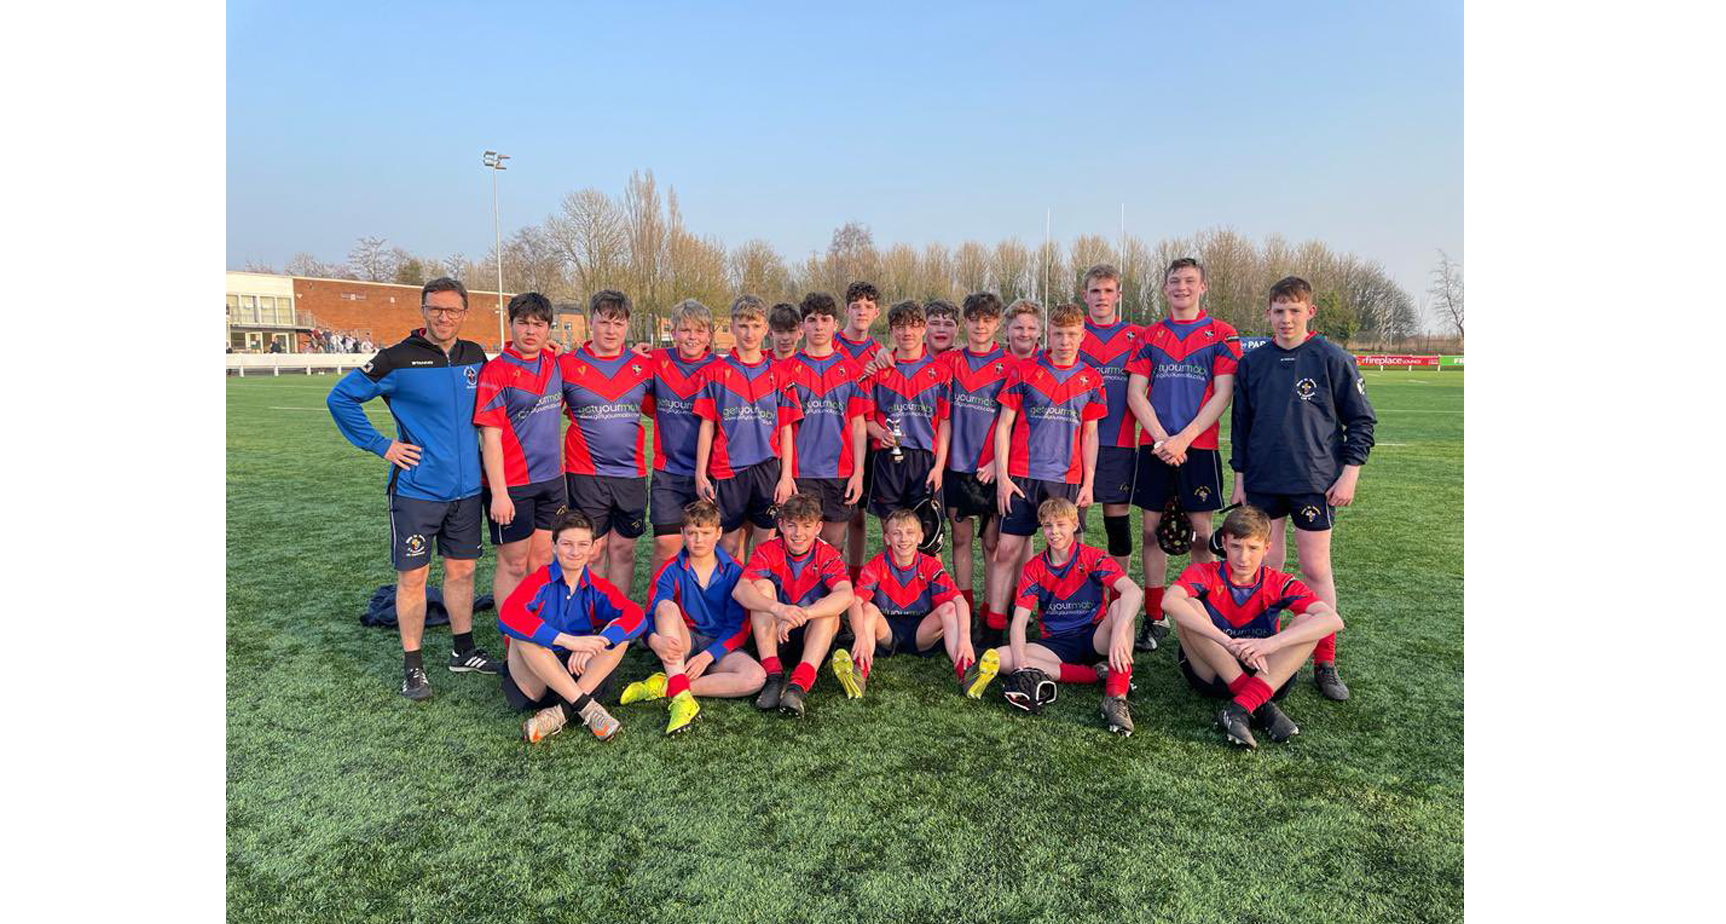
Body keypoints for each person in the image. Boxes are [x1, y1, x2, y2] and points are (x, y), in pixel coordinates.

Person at [326, 277, 499, 701]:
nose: (445, 317)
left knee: (462, 572)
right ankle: (414, 666)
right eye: (436, 309)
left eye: (453, 310)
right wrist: (382, 445)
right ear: (423, 310)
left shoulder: (475, 355)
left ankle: (463, 651)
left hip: (466, 491)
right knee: (413, 579)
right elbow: (340, 399)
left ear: (464, 313)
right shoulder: (395, 359)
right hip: (417, 491)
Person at [1229, 276, 1376, 701]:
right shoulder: (1253, 364)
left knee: (1315, 570)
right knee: (1265, 568)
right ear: (1268, 314)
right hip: (1262, 481)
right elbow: (1241, 426)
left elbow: (1362, 421)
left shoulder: (1332, 358)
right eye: (1278, 311)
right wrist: (1239, 478)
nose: (1286, 319)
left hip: (1314, 483)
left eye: (1294, 311)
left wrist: (1350, 472)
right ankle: (1262, 648)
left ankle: (1324, 660)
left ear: (1310, 312)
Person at [1124, 257, 1242, 652]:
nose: (1182, 287)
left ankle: (1200, 617)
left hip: (1199, 449)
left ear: (1203, 286)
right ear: (1165, 288)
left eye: (1190, 281)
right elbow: (1135, 393)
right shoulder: (1149, 335)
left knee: (1203, 537)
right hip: (1155, 447)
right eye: (1174, 281)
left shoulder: (1221, 333)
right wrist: (1162, 440)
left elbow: (1223, 393)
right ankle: (1155, 617)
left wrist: (1184, 440)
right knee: (1150, 532)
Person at [1161, 504, 1345, 748]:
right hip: (1212, 672)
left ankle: (1241, 707)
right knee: (1188, 606)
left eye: (1253, 547)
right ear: (1224, 544)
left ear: (1267, 548)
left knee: (1309, 620)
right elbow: (1168, 601)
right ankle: (1260, 706)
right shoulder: (1205, 572)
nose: (1243, 557)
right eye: (1236, 546)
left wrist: (1270, 643)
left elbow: (1333, 620)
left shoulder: (1278, 582)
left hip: (1267, 674)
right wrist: (1228, 643)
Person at [984, 302, 1106, 649]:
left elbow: (1090, 434)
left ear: (1082, 335)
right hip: (1023, 476)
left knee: (1069, 554)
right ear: (1047, 336)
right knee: (1006, 551)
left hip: (1067, 479)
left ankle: (1066, 626)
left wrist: (1089, 482)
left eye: (1071, 334)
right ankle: (994, 630)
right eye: (1058, 334)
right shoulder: (1024, 370)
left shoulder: (1091, 378)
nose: (1064, 341)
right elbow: (1004, 425)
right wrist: (1004, 477)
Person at [969, 497, 1143, 735]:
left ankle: (1116, 697)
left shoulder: (1092, 557)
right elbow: (1019, 624)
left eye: (1060, 524)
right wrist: (1021, 665)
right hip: (1057, 644)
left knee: (1122, 606)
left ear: (1074, 524)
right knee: (1001, 657)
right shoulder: (1034, 567)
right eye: (1048, 525)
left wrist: (1121, 632)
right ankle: (1094, 674)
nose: (1054, 532)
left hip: (1095, 636)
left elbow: (1133, 591)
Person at [620, 499, 766, 734]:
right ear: (682, 533)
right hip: (683, 642)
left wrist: (708, 656)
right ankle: (681, 700)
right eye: (692, 533)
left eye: (705, 533)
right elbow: (650, 616)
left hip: (719, 648)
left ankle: (668, 685)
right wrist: (653, 640)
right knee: (666, 607)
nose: (698, 540)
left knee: (755, 677)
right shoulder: (670, 569)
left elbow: (739, 628)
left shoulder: (734, 571)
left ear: (718, 533)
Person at [498, 509, 642, 744]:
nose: (575, 552)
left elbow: (636, 616)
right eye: (567, 544)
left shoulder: (597, 587)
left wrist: (600, 641)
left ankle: (560, 713)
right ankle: (587, 708)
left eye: (583, 544)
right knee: (522, 634)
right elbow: (508, 615)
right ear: (554, 545)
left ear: (593, 547)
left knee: (619, 632)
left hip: (580, 672)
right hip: (536, 682)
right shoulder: (539, 581)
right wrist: (568, 640)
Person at [474, 292, 567, 613]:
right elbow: (490, 438)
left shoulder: (555, 362)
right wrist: (499, 493)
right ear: (511, 325)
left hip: (552, 481)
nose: (531, 331)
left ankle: (537, 628)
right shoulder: (496, 372)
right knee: (513, 564)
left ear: (548, 329)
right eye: (523, 323)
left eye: (538, 325)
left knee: (541, 560)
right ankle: (512, 640)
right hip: (511, 485)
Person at [559, 290, 654, 595]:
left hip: (631, 474)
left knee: (624, 550)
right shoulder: (566, 364)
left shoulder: (644, 366)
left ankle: (615, 619)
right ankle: (592, 618)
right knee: (594, 550)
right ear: (591, 323)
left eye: (618, 323)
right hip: (586, 474)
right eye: (604, 323)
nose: (611, 331)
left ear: (627, 325)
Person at [694, 295, 802, 560]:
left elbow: (786, 428)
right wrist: (700, 473)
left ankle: (758, 601)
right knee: (729, 546)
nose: (749, 333)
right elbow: (707, 425)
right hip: (727, 471)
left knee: (765, 547)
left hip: (767, 470)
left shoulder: (778, 374)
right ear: (731, 327)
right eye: (743, 326)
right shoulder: (714, 372)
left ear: (765, 328)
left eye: (755, 326)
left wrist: (786, 475)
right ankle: (732, 600)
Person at [732, 493, 855, 718]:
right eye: (791, 525)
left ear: (818, 527)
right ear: (781, 525)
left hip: (812, 637)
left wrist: (804, 613)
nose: (799, 534)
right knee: (761, 587)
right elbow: (740, 590)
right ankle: (773, 676)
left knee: (828, 611)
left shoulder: (826, 554)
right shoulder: (769, 549)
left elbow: (846, 595)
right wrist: (780, 609)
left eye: (806, 526)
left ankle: (798, 687)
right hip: (774, 635)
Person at [831, 508, 976, 698]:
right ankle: (859, 673)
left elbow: (960, 601)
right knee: (867, 608)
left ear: (921, 537)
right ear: (887, 538)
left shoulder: (931, 565)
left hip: (921, 632)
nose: (903, 539)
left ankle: (966, 673)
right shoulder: (876, 565)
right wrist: (860, 636)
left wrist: (965, 639)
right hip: (887, 632)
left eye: (910, 533)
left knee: (949, 608)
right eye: (896, 533)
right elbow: (854, 602)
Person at [777, 292, 873, 553]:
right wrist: (785, 475)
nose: (818, 326)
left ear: (835, 325)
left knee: (832, 545)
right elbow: (784, 427)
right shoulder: (787, 370)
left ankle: (831, 594)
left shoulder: (852, 370)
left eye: (825, 319)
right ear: (802, 326)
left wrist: (859, 473)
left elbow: (858, 425)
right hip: (801, 473)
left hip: (840, 472)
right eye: (811, 319)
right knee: (798, 544)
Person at [940, 292, 1011, 637]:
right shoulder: (951, 361)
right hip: (957, 466)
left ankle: (992, 612)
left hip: (993, 469)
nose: (980, 326)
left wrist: (999, 464)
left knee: (993, 544)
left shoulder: (1009, 364)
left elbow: (1015, 422)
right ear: (965, 322)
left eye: (987, 319)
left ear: (997, 324)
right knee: (960, 539)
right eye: (974, 319)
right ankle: (965, 609)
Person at [1076, 264, 1146, 578]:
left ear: (1118, 295)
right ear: (1085, 295)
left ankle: (1119, 591)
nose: (1101, 297)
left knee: (1117, 524)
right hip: (1075, 445)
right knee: (1072, 521)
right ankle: (1074, 587)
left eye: (1107, 291)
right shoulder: (1072, 333)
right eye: (1095, 291)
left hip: (1119, 444)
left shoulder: (1137, 337)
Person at [645, 299, 721, 576]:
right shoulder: (655, 361)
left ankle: (702, 608)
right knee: (667, 545)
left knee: (708, 545)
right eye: (685, 330)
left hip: (711, 473)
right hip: (669, 471)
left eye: (699, 331)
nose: (692, 337)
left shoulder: (720, 368)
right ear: (673, 331)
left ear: (709, 335)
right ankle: (659, 605)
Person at [864, 300, 951, 531]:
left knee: (930, 539)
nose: (907, 332)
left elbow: (944, 423)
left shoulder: (940, 371)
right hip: (887, 461)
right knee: (891, 534)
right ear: (891, 331)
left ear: (924, 329)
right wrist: (881, 433)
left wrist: (939, 466)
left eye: (913, 326)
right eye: (900, 326)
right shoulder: (878, 370)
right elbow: (867, 420)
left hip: (925, 462)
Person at [835, 281, 883, 583]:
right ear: (846, 310)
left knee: (857, 513)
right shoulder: (831, 343)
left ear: (876, 313)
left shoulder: (880, 352)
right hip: (831, 442)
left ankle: (853, 574)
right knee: (832, 518)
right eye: (856, 306)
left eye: (868, 307)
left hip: (865, 439)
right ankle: (831, 576)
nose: (861, 312)